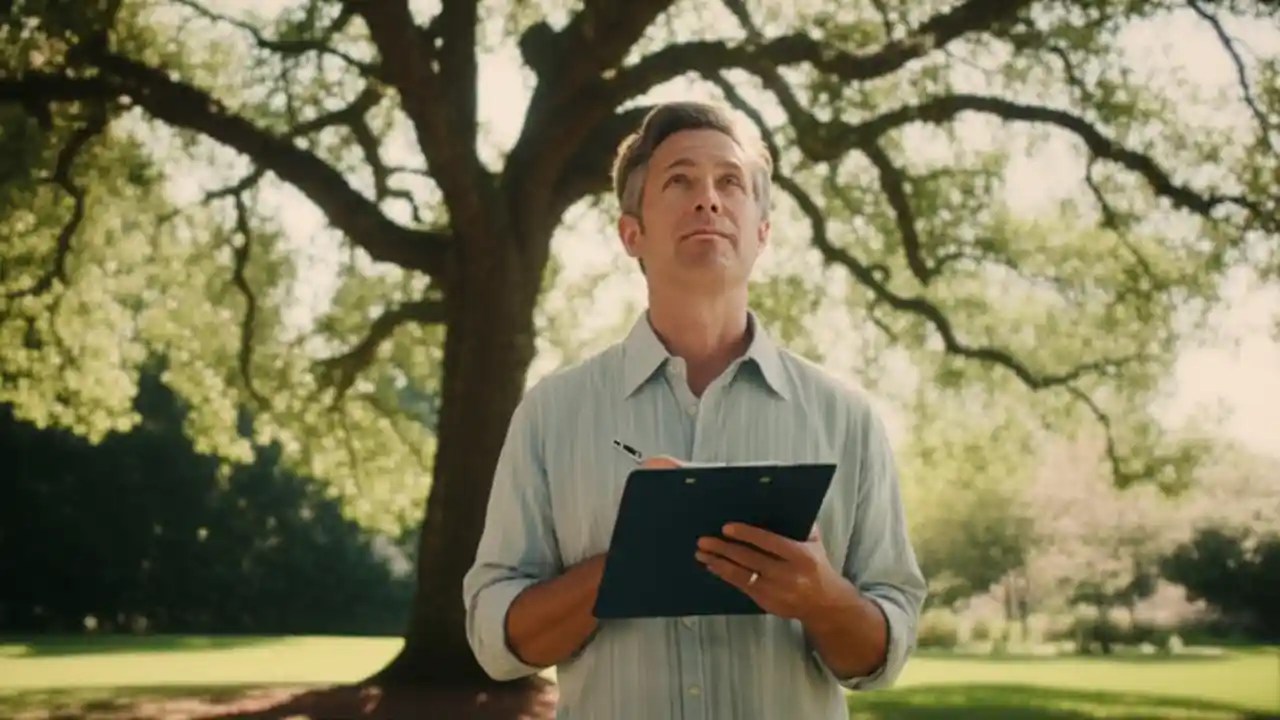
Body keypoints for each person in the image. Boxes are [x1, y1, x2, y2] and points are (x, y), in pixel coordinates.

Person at [463, 100, 926, 719]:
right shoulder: (551, 416)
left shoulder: (848, 419)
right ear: (633, 234)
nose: (708, 198)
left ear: (762, 232)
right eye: (679, 180)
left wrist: (823, 599)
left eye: (730, 182)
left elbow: (882, 655)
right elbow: (499, 643)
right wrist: (630, 557)